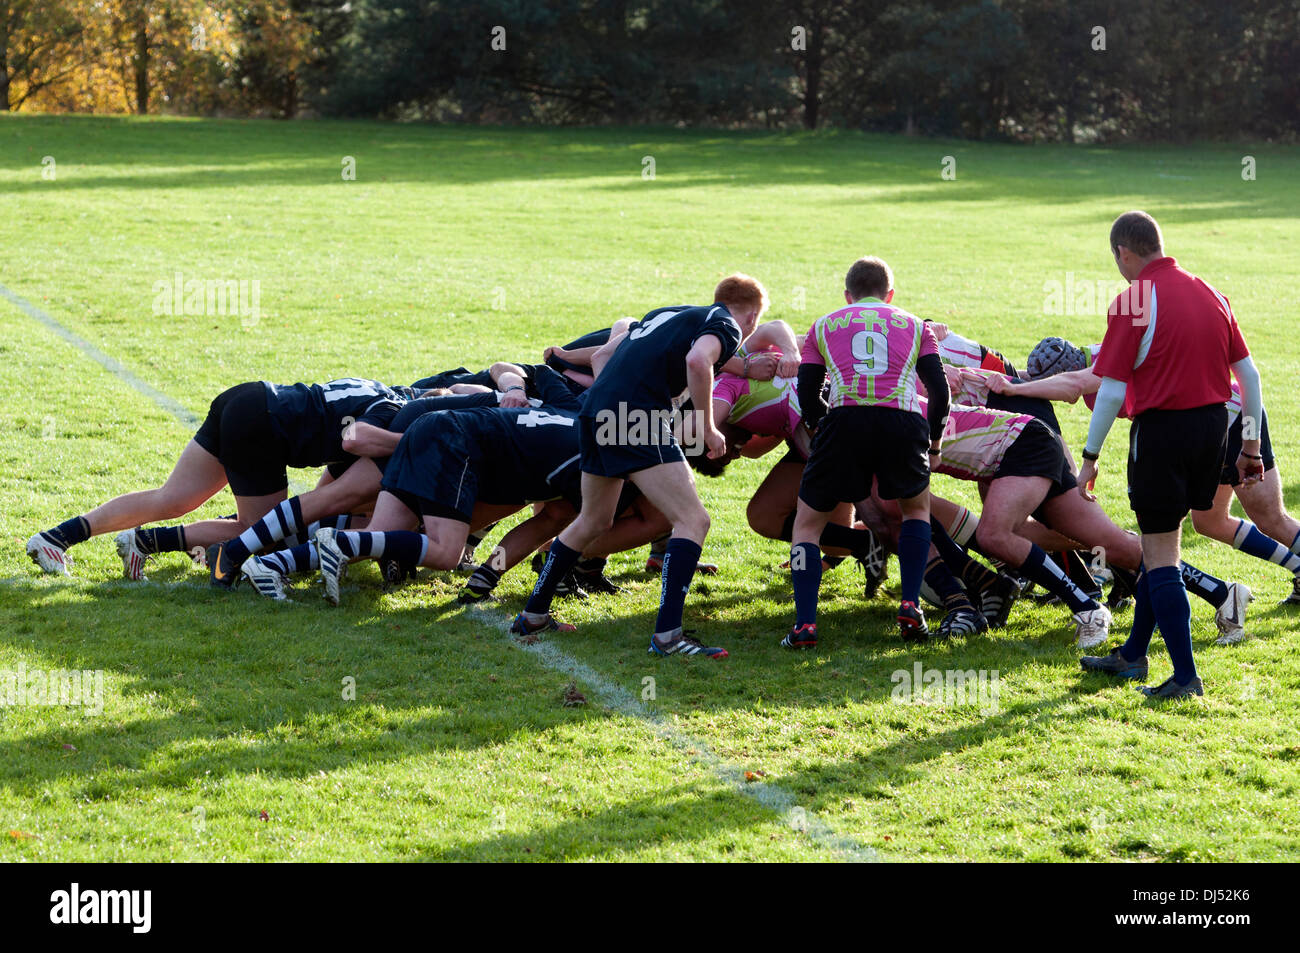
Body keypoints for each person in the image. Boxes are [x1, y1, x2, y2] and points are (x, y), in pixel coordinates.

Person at [513, 274, 768, 659]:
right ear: (751, 317)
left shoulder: (670, 314)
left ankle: (533, 615)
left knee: (593, 520)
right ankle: (668, 637)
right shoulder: (728, 324)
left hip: (595, 412)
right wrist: (707, 425)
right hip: (638, 418)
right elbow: (698, 360)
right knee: (693, 520)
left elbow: (604, 356)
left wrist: (618, 403)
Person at [1078, 211, 1264, 699]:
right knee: (1162, 544)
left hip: (1162, 433)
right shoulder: (1211, 292)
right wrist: (1250, 447)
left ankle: (1184, 677)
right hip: (1213, 429)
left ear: (1123, 252)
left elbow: (1111, 391)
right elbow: (1249, 378)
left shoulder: (1133, 301)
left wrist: (1090, 456)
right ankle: (1133, 654)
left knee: (1160, 555)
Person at [26, 377, 414, 580]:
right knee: (259, 531)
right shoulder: (396, 410)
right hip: (263, 426)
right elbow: (353, 440)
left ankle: (56, 538)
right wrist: (406, 442)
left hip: (247, 398)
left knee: (171, 498)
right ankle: (146, 541)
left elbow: (329, 491)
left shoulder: (384, 391)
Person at [785, 256, 949, 647]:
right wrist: (935, 443)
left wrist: (822, 428)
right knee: (915, 512)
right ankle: (910, 605)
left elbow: (807, 392)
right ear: (890, 295)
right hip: (902, 422)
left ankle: (805, 625)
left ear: (848, 296)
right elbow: (940, 391)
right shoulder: (917, 326)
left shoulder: (823, 326)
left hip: (844, 420)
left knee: (806, 526)